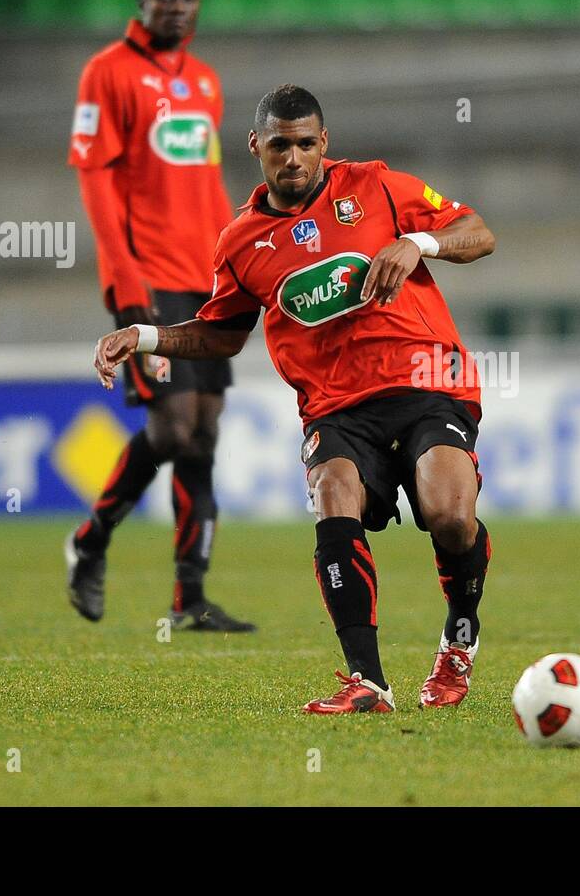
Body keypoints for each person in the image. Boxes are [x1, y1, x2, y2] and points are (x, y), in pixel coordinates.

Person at [92, 85, 497, 712]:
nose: (294, 158)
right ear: (256, 145)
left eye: (306, 143)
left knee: (448, 515)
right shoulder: (241, 242)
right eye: (280, 144)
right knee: (332, 493)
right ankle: (369, 682)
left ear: (323, 143)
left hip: (426, 382)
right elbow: (222, 334)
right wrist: (145, 336)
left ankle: (457, 642)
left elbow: (478, 232)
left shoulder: (377, 186)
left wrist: (420, 244)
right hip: (336, 407)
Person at [66, 0, 253, 632]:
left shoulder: (204, 81)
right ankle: (90, 542)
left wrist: (237, 266)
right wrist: (125, 286)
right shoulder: (106, 73)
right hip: (147, 280)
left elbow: (205, 185)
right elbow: (97, 184)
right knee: (172, 428)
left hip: (207, 283)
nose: (174, 6)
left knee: (203, 431)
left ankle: (189, 600)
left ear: (198, 6)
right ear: (142, 0)